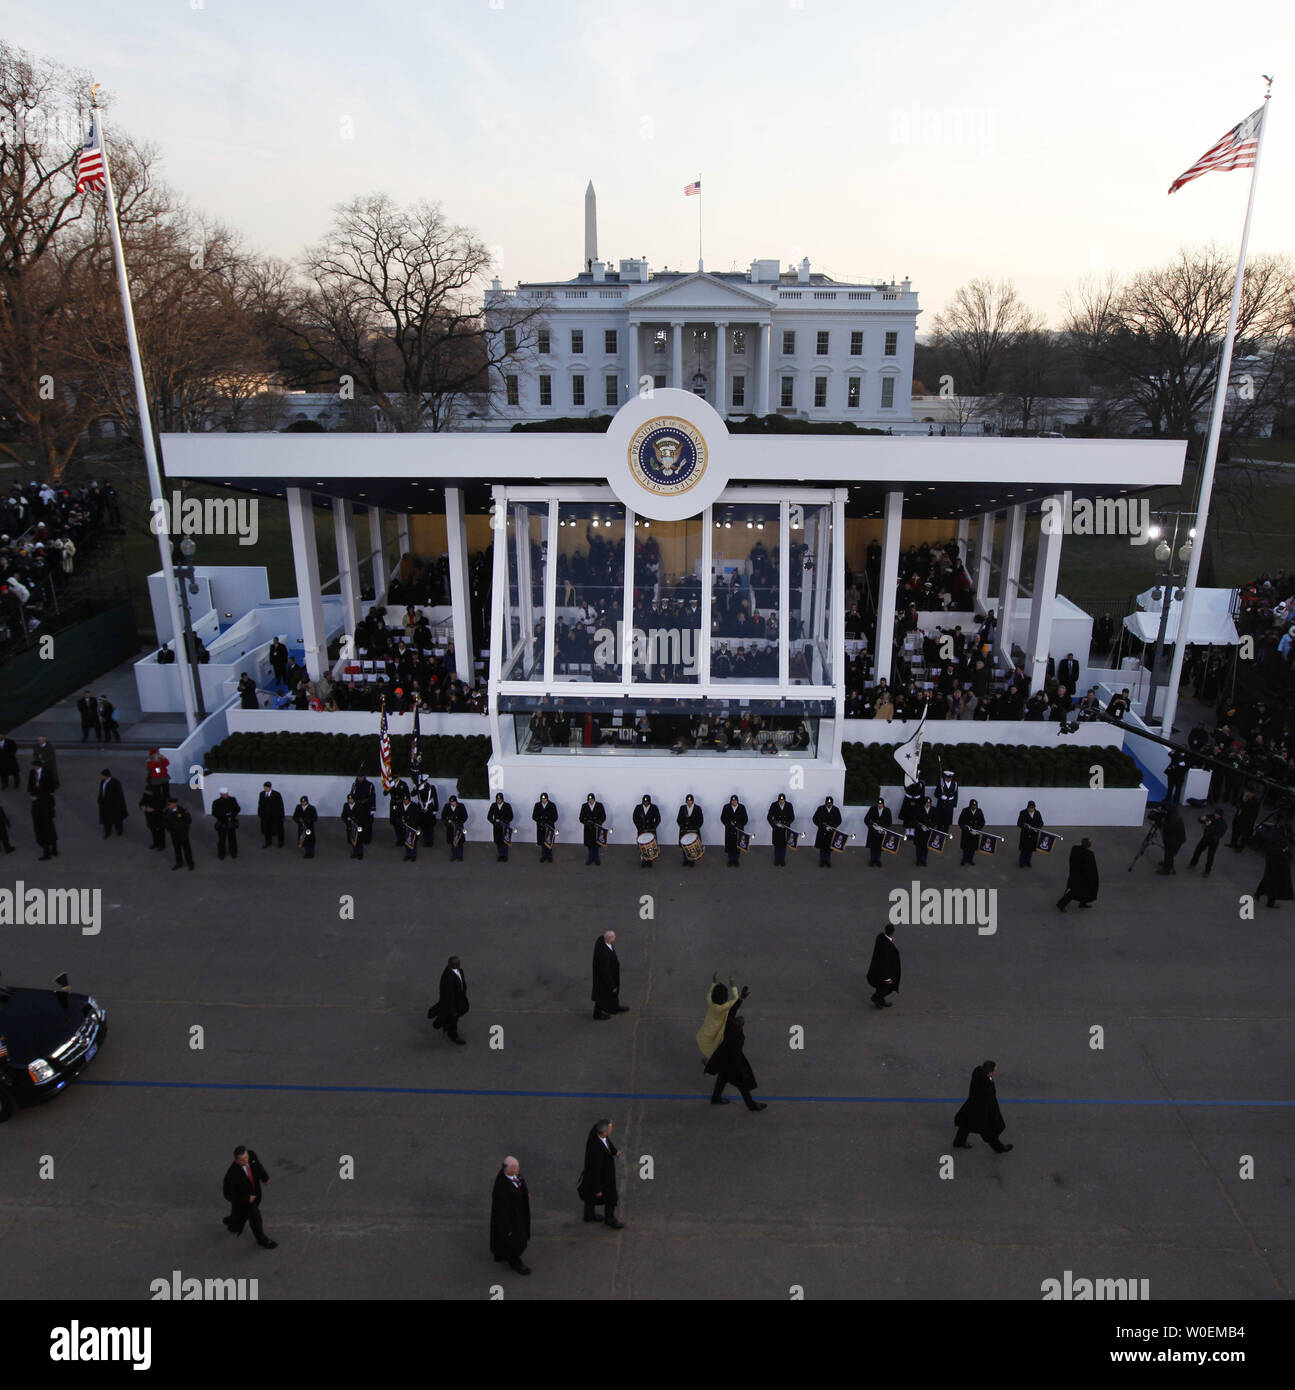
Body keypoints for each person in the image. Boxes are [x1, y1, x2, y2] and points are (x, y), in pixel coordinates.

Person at [703, 983, 766, 1111]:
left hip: (723, 1057)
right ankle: (751, 1105)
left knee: (723, 1077)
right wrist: (741, 1070)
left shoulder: (724, 1019)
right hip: (731, 1060)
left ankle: (716, 1098)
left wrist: (741, 999)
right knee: (742, 1083)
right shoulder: (734, 1036)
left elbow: (732, 1011)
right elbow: (734, 1053)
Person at [222, 1145, 277, 1248]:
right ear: (236, 1161)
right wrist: (247, 1199)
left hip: (255, 1193)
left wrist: (265, 1178)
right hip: (246, 1200)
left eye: (246, 1157)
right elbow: (230, 1196)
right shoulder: (233, 1176)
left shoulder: (251, 1155)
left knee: (238, 1214)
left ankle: (233, 1224)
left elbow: (258, 1166)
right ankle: (262, 1240)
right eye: (242, 1160)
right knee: (255, 1218)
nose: (246, 1161)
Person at [953, 1060, 1013, 1153]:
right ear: (989, 1073)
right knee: (989, 1132)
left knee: (966, 1125)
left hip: (971, 1105)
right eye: (994, 1070)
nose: (996, 1071)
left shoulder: (977, 1072)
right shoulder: (986, 1084)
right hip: (981, 1110)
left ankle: (959, 1142)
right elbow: (989, 1100)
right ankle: (999, 1148)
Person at [577, 1120, 624, 1229]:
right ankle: (610, 1219)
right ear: (604, 1132)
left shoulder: (596, 1133)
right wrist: (597, 1189)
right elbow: (596, 1171)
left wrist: (614, 1151)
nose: (612, 1130)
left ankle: (589, 1215)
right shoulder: (596, 1151)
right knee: (611, 1197)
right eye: (610, 1129)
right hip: (603, 1177)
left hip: (592, 1176)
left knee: (590, 1195)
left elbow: (607, 1142)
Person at [490, 1157, 531, 1275]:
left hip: (517, 1212)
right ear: (506, 1169)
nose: (517, 1169)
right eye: (514, 1168)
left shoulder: (515, 1176)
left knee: (505, 1239)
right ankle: (515, 1262)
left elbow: (521, 1182)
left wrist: (525, 1193)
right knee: (517, 1242)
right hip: (511, 1219)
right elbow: (503, 1212)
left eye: (517, 1167)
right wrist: (508, 1229)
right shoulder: (502, 1189)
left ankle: (499, 1253)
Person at [427, 955, 469, 1044]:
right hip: (452, 1002)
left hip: (457, 999)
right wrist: (453, 1010)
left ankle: (446, 1025)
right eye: (457, 964)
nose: (459, 965)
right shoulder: (448, 978)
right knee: (453, 1018)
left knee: (451, 1016)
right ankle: (453, 1034)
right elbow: (449, 996)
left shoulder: (459, 971)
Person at [591, 930, 628, 1020]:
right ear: (609, 939)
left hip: (603, 976)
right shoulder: (605, 955)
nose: (615, 938)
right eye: (613, 937)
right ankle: (598, 1014)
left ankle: (613, 1008)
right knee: (606, 994)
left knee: (603, 995)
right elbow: (606, 971)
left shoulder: (602, 940)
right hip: (606, 978)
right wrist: (612, 985)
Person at [1255, 825, 1293, 909]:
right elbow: (1282, 851)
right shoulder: (1281, 840)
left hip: (1272, 860)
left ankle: (1260, 893)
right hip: (1278, 862)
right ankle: (1269, 901)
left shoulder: (1274, 836)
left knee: (1269, 878)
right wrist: (1284, 851)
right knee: (1275, 882)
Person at [1056, 837, 1098, 911]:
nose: (1090, 844)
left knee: (1085, 890)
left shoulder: (1076, 849)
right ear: (1086, 844)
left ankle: (1082, 903)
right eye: (1089, 843)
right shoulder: (1088, 854)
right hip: (1080, 877)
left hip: (1078, 875)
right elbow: (1089, 867)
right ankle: (1061, 904)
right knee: (1074, 891)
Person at [867, 923, 901, 1009]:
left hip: (877, 969)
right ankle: (876, 998)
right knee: (888, 986)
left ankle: (880, 1001)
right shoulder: (888, 946)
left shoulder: (880, 937)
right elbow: (886, 963)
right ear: (893, 932)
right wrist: (887, 978)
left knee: (880, 986)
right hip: (884, 972)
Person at [1188, 808, 1227, 876]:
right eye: (1215, 813)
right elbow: (1200, 820)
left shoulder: (1223, 824)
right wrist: (1201, 818)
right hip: (1206, 838)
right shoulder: (1211, 816)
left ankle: (1207, 871)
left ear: (1221, 816)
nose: (1216, 815)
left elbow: (1214, 830)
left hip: (1214, 841)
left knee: (1210, 856)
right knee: (1198, 850)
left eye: (1218, 814)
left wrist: (1208, 824)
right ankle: (1192, 863)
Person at [96, 768, 127, 838]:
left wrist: (118, 804)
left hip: (114, 805)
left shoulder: (116, 783)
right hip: (105, 804)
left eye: (102, 775)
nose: (101, 777)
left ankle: (119, 830)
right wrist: (99, 799)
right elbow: (101, 791)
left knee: (117, 818)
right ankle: (107, 832)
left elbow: (119, 794)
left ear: (106, 776)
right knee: (106, 819)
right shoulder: (102, 782)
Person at [812, 795, 841, 869]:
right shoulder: (820, 808)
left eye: (830, 803)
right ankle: (822, 861)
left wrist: (833, 827)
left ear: (832, 803)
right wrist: (821, 826)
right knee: (822, 847)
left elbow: (839, 820)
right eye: (828, 803)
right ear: (825, 803)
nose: (829, 804)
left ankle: (827, 861)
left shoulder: (836, 809)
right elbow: (815, 819)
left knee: (829, 848)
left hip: (831, 832)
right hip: (822, 831)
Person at [1157, 803, 1186, 875]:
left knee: (1169, 853)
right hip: (1173, 837)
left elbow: (1168, 827)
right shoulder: (1173, 812)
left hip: (1175, 839)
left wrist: (1160, 823)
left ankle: (1166, 870)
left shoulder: (1174, 817)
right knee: (1169, 852)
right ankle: (1168, 864)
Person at [164, 798, 194, 870]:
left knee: (186, 849)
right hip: (174, 833)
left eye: (170, 804)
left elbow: (188, 820)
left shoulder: (182, 810)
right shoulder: (167, 811)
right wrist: (169, 829)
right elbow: (165, 821)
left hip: (182, 833)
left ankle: (190, 863)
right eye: (168, 805)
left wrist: (182, 827)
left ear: (174, 804)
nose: (169, 806)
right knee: (177, 849)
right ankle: (179, 863)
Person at [767, 793, 795, 867]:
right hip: (777, 829)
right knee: (777, 845)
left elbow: (792, 817)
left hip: (785, 829)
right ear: (778, 800)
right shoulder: (774, 805)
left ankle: (782, 860)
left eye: (783, 800)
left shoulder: (789, 805)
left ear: (785, 800)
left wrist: (787, 823)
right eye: (780, 800)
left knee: (783, 845)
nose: (781, 801)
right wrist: (774, 825)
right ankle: (776, 860)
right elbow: (769, 817)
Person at [633, 794, 661, 869]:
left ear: (650, 802)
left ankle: (649, 861)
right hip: (641, 829)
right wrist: (638, 827)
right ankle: (643, 860)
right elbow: (634, 818)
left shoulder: (654, 807)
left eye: (647, 802)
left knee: (650, 846)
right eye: (644, 802)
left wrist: (654, 827)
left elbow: (658, 818)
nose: (645, 803)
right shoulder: (638, 807)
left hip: (650, 830)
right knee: (642, 846)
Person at [31, 782, 57, 860]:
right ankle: (54, 849)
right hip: (47, 812)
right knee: (50, 830)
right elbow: (52, 800)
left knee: (42, 833)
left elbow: (34, 800)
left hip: (40, 814)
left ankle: (47, 853)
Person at [213, 788, 241, 860]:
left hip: (231, 822)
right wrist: (224, 816)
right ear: (221, 794)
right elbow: (215, 813)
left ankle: (233, 852)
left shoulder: (232, 800)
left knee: (232, 838)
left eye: (226, 794)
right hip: (222, 823)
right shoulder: (216, 802)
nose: (226, 795)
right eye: (224, 794)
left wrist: (232, 815)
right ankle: (221, 853)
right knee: (222, 839)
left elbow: (237, 809)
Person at [579, 792, 606, 867]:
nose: (590, 801)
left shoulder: (599, 805)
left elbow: (603, 816)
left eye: (592, 800)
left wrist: (598, 823)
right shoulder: (584, 806)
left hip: (596, 828)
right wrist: (586, 822)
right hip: (588, 828)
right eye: (589, 800)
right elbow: (581, 818)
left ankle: (596, 858)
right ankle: (590, 858)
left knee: (596, 844)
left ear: (594, 799)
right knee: (590, 844)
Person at [864, 796, 892, 868]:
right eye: (878, 804)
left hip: (881, 832)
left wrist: (883, 828)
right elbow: (866, 819)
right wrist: (871, 826)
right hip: (873, 832)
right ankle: (872, 860)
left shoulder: (887, 810)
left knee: (879, 847)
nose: (879, 805)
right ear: (877, 804)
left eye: (881, 804)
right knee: (873, 847)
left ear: (883, 804)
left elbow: (889, 822)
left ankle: (878, 860)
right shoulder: (872, 809)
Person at [721, 794, 748, 868]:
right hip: (729, 830)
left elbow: (745, 819)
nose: (734, 802)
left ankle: (736, 860)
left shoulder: (742, 807)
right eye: (732, 801)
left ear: (738, 801)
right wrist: (728, 824)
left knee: (738, 846)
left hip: (738, 830)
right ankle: (730, 860)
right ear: (730, 801)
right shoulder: (726, 807)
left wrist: (740, 825)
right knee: (730, 845)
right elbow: (722, 818)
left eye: (735, 801)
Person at [677, 794, 703, 867]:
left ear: (693, 801)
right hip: (685, 830)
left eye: (690, 800)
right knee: (685, 846)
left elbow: (701, 820)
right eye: (688, 801)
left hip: (694, 830)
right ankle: (685, 860)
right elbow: (679, 819)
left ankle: (692, 860)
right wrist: (682, 826)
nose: (689, 802)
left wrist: (696, 827)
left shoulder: (698, 808)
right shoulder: (682, 808)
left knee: (693, 846)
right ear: (686, 801)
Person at [349, 773, 376, 843]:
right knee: (359, 824)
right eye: (359, 777)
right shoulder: (354, 785)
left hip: (367, 807)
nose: (360, 778)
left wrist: (373, 809)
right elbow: (351, 795)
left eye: (361, 777)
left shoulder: (370, 785)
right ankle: (360, 836)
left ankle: (367, 838)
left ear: (364, 777)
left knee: (368, 824)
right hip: (358, 807)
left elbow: (373, 797)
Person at [257, 781, 285, 848]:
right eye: (265, 787)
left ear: (270, 787)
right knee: (266, 829)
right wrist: (260, 813)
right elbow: (260, 804)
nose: (266, 789)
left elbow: (280, 805)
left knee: (278, 829)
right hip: (265, 816)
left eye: (267, 787)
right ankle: (268, 842)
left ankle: (280, 842)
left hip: (275, 816)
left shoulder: (276, 794)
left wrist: (281, 815)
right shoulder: (262, 794)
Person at [140, 783, 167, 851]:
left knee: (160, 831)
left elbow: (162, 806)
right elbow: (141, 803)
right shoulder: (146, 795)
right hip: (150, 817)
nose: (147, 793)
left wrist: (153, 809)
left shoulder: (160, 797)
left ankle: (162, 845)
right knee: (153, 831)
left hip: (158, 817)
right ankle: (155, 843)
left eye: (148, 792)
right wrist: (144, 808)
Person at [958, 799, 986, 866]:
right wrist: (966, 829)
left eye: (975, 805)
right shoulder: (965, 810)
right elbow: (960, 822)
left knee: (973, 848)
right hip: (967, 833)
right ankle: (964, 860)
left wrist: (977, 829)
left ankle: (970, 860)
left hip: (975, 833)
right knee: (966, 847)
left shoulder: (979, 811)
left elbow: (982, 822)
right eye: (973, 805)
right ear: (970, 805)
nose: (974, 807)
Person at [532, 791, 558, 863]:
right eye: (542, 799)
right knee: (542, 842)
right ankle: (543, 855)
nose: (543, 800)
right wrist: (539, 820)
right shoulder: (537, 805)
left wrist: (550, 821)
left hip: (549, 827)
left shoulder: (552, 805)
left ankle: (549, 856)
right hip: (541, 827)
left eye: (545, 799)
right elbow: (534, 816)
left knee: (549, 842)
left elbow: (555, 816)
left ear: (547, 799)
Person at [1017, 800, 1043, 868]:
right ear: (1027, 807)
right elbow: (1019, 823)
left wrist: (1037, 828)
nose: (1031, 809)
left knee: (1030, 850)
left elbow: (1041, 823)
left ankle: (1028, 862)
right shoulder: (1023, 813)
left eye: (1032, 807)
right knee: (1024, 849)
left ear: (1034, 807)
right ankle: (1021, 862)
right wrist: (1025, 826)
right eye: (1030, 807)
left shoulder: (1037, 813)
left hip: (1034, 835)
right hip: (1025, 835)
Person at [488, 792, 513, 861]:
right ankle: (500, 855)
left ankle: (505, 855)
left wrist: (504, 822)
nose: (498, 800)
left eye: (500, 799)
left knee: (505, 841)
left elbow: (511, 816)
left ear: (502, 799)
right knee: (498, 841)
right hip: (497, 827)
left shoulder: (507, 805)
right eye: (497, 799)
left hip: (505, 827)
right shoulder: (493, 805)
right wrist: (494, 822)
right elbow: (489, 816)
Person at [414, 779, 439, 847]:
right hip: (421, 807)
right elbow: (412, 794)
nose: (423, 783)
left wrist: (435, 809)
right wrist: (417, 789)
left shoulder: (431, 787)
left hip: (429, 807)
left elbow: (435, 798)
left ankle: (430, 841)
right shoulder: (419, 786)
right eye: (422, 781)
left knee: (429, 825)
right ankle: (426, 840)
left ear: (426, 781)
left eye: (424, 781)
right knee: (423, 825)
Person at [388, 775, 411, 847]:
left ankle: (403, 839)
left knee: (401, 822)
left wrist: (407, 805)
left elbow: (407, 795)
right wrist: (388, 787)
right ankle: (399, 839)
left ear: (398, 777)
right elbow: (385, 793)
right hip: (393, 804)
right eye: (393, 778)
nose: (394, 779)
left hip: (400, 804)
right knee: (395, 822)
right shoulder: (390, 783)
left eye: (396, 778)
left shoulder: (403, 784)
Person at [443, 795, 467, 860]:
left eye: (453, 802)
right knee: (452, 842)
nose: (452, 803)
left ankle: (460, 856)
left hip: (459, 827)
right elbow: (443, 817)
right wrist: (447, 824)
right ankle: (454, 855)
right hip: (451, 828)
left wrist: (461, 822)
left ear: (456, 801)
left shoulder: (461, 806)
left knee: (460, 842)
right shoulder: (447, 807)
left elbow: (465, 816)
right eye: (451, 802)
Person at [913, 798, 936, 867]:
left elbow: (935, 821)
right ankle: (918, 860)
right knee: (918, 847)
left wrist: (930, 827)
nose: (928, 804)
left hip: (928, 832)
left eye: (929, 803)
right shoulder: (918, 809)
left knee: (926, 847)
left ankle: (923, 860)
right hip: (919, 832)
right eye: (926, 803)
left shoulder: (933, 810)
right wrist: (920, 826)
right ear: (924, 803)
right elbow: (914, 820)